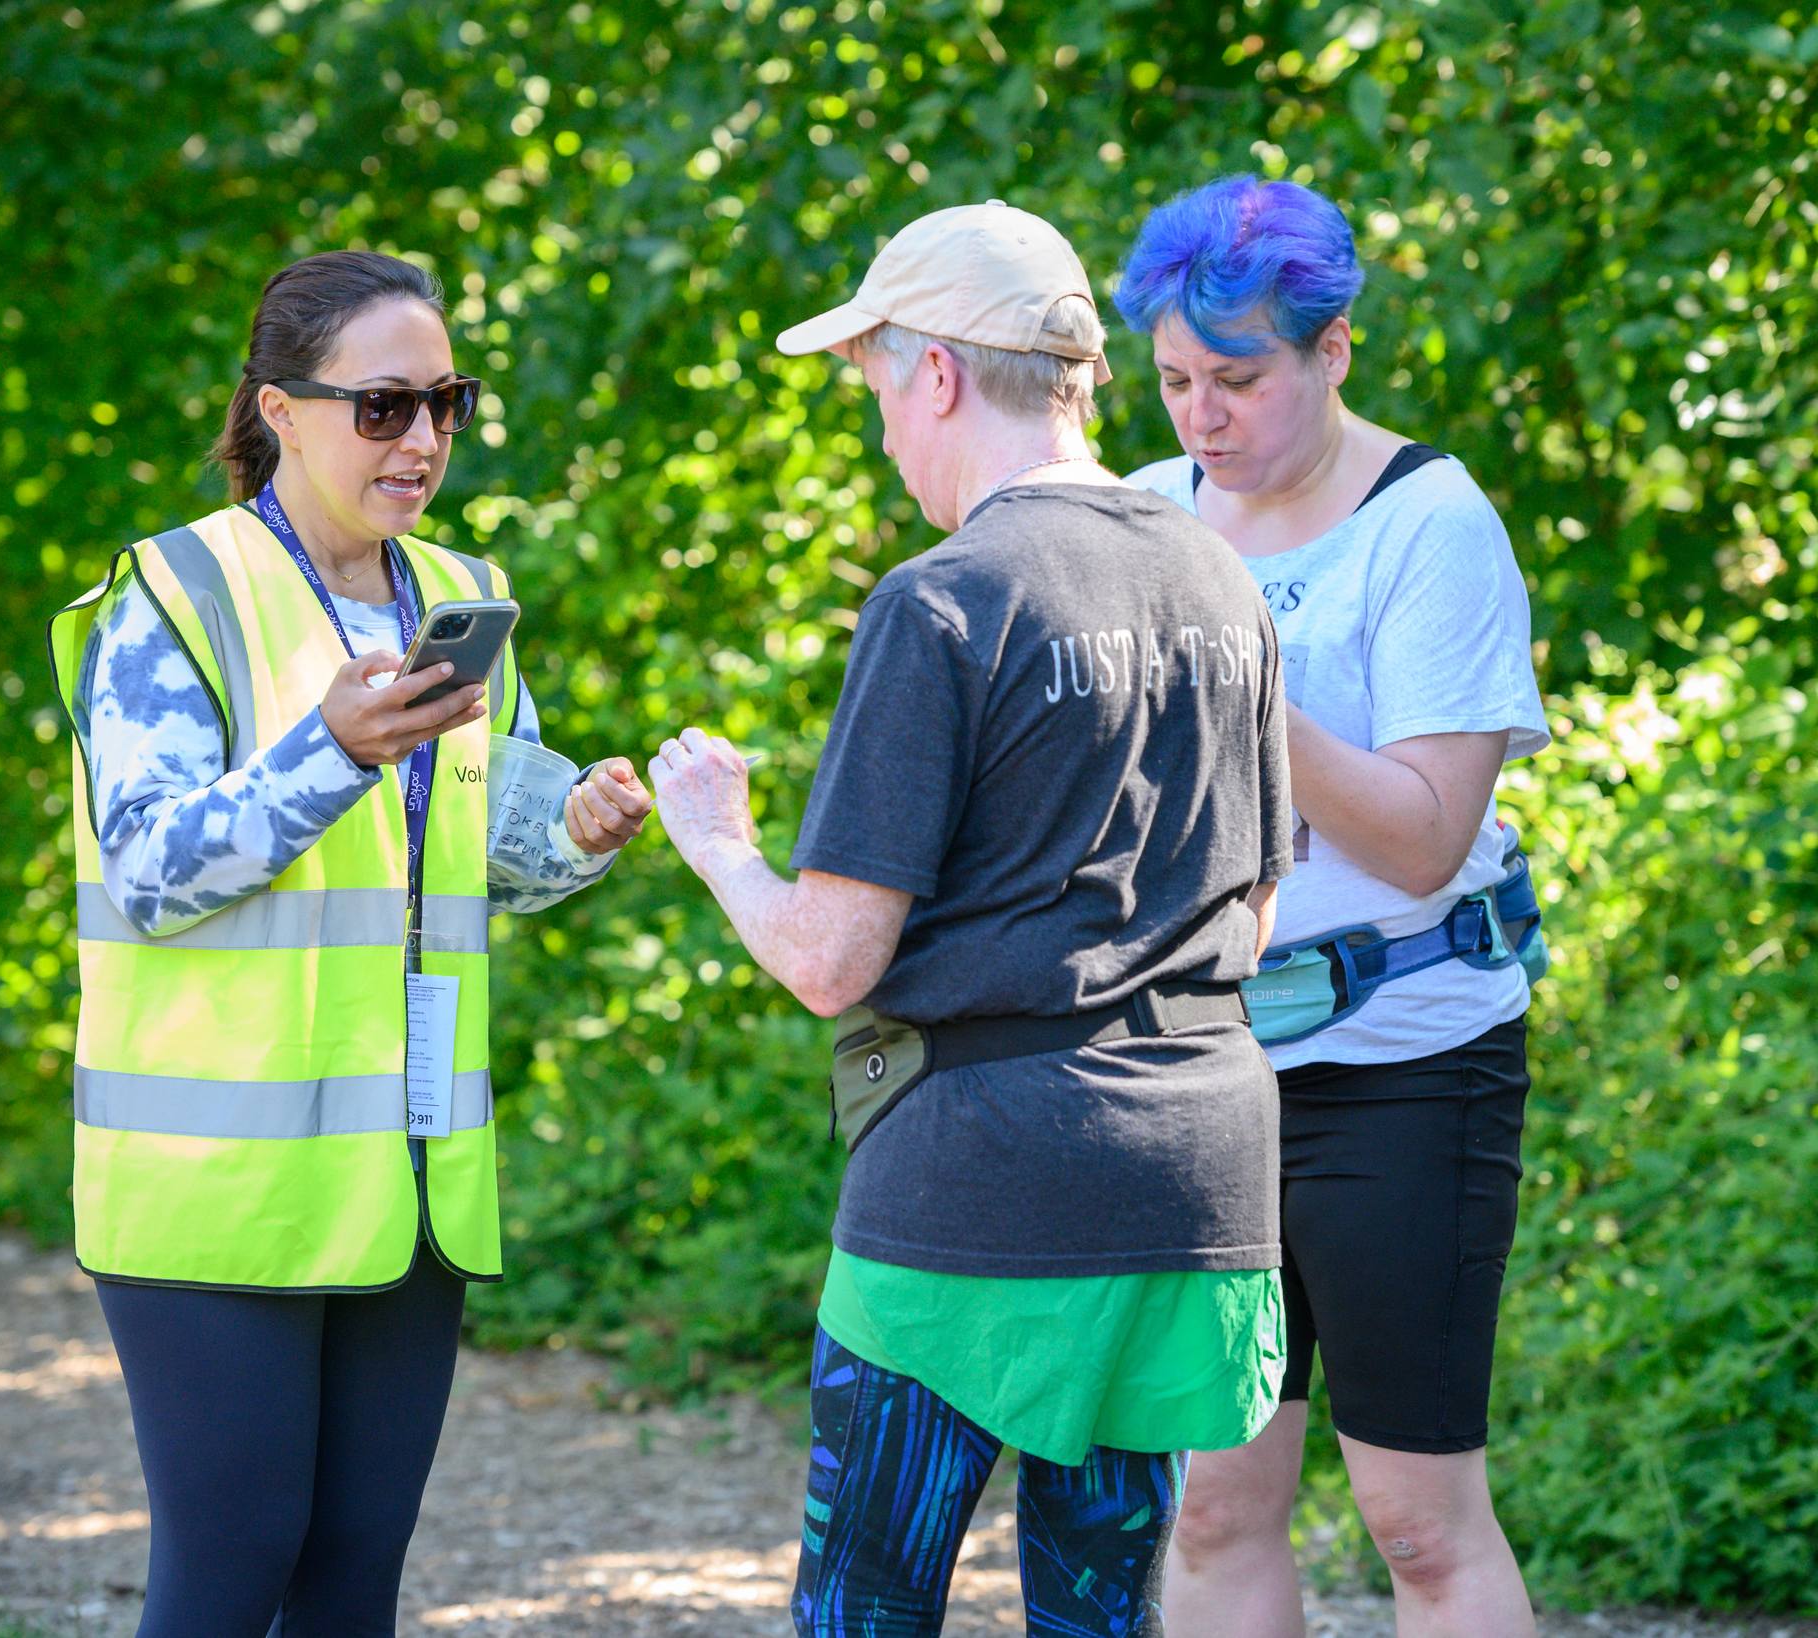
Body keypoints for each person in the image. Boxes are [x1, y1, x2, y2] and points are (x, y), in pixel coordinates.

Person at [650, 201, 1294, 1636]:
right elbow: (1257, 900)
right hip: (1196, 1186)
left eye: (880, 391)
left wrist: (720, 844)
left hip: (979, 1192)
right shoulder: (1222, 579)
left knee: (867, 1606)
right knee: (1100, 1613)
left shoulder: (944, 597)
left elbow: (830, 964)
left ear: (936, 374)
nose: (884, 435)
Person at [44, 250, 651, 1637]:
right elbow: (148, 868)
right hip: (216, 1191)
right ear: (281, 410)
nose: (425, 437)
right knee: (232, 1564)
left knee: (354, 1574)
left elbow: (480, 853)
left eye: (446, 400)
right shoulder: (172, 593)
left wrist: (581, 828)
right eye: (384, 406)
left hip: (411, 1181)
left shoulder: (458, 587)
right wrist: (329, 750)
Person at [1115, 176, 1550, 1637]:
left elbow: (1429, 841)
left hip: (1406, 1066)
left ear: (1334, 350)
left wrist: (1244, 672)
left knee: (1418, 1525)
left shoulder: (1431, 523)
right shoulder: (1145, 515)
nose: (1200, 416)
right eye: (1175, 380)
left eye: (1236, 379)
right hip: (1202, 1067)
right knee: (1213, 1503)